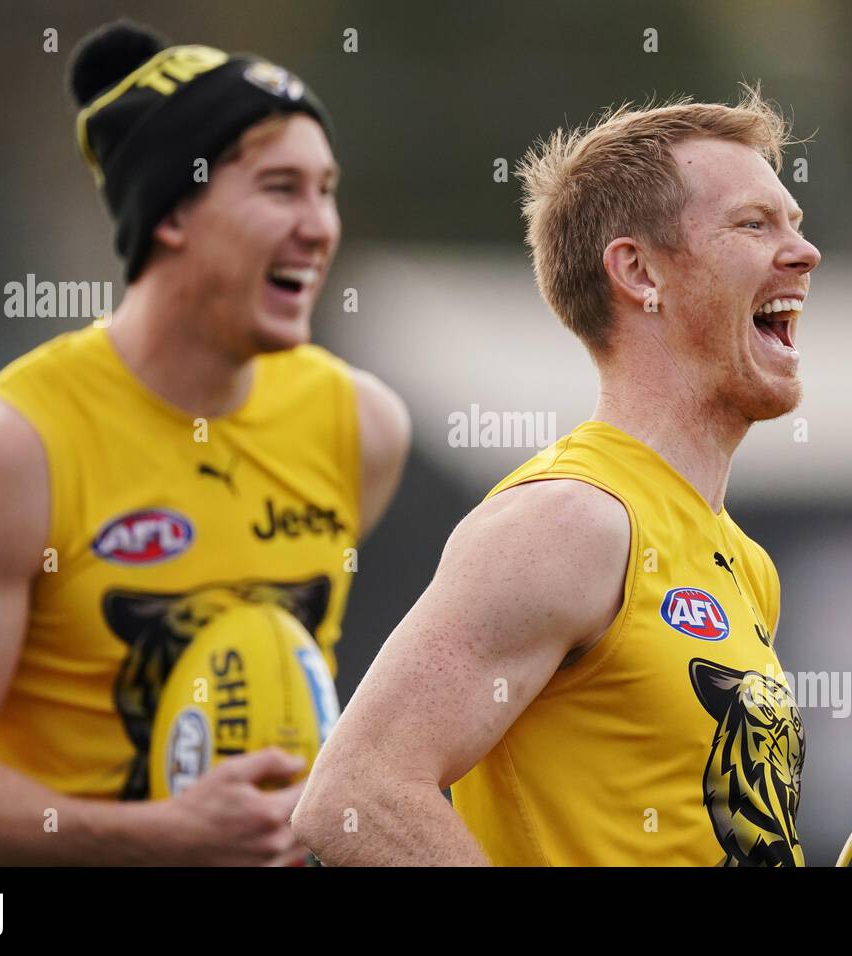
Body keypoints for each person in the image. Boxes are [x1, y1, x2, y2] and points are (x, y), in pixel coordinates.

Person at [0, 20, 409, 866]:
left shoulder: (363, 425)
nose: (319, 225)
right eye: (280, 188)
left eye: (326, 189)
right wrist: (159, 839)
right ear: (173, 215)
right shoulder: (5, 449)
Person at [292, 89, 821, 865]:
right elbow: (357, 793)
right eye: (754, 224)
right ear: (638, 270)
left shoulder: (747, 567)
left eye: (795, 225)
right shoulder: (570, 521)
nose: (804, 253)